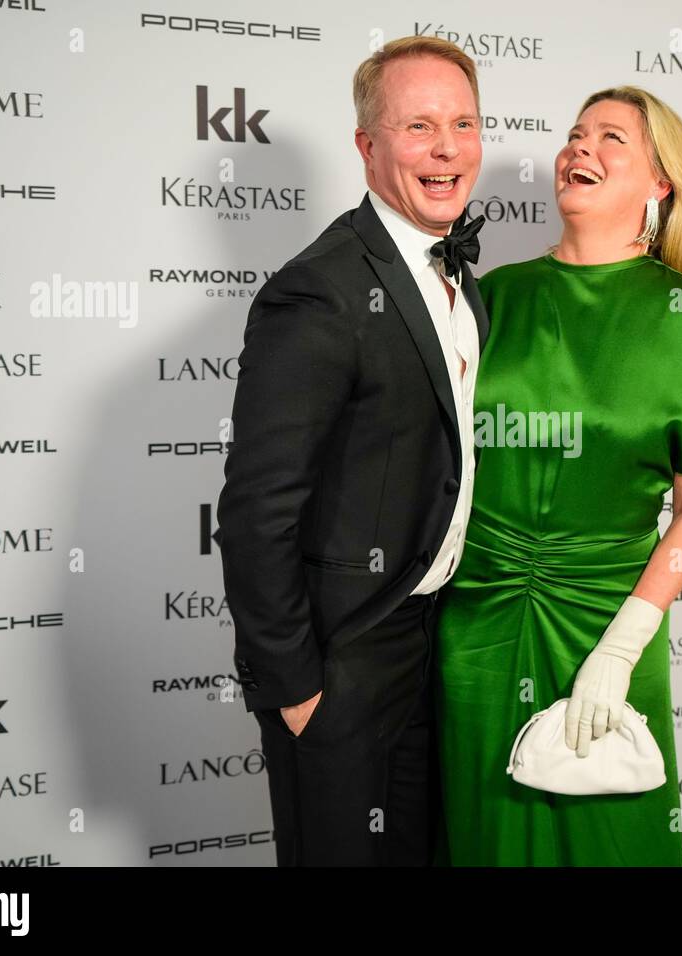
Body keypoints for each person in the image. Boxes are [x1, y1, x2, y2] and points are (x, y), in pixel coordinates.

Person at [434, 85, 682, 866]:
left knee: (615, 841)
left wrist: (622, 648)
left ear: (660, 182)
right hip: (476, 619)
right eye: (575, 134)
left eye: (612, 138)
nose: (581, 148)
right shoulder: (489, 298)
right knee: (483, 840)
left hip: (606, 621)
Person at [216, 36, 487, 866]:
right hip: (344, 661)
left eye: (464, 124)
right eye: (418, 127)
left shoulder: (461, 277)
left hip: (433, 644)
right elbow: (256, 510)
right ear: (368, 146)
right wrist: (298, 691)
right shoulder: (319, 290)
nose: (447, 149)